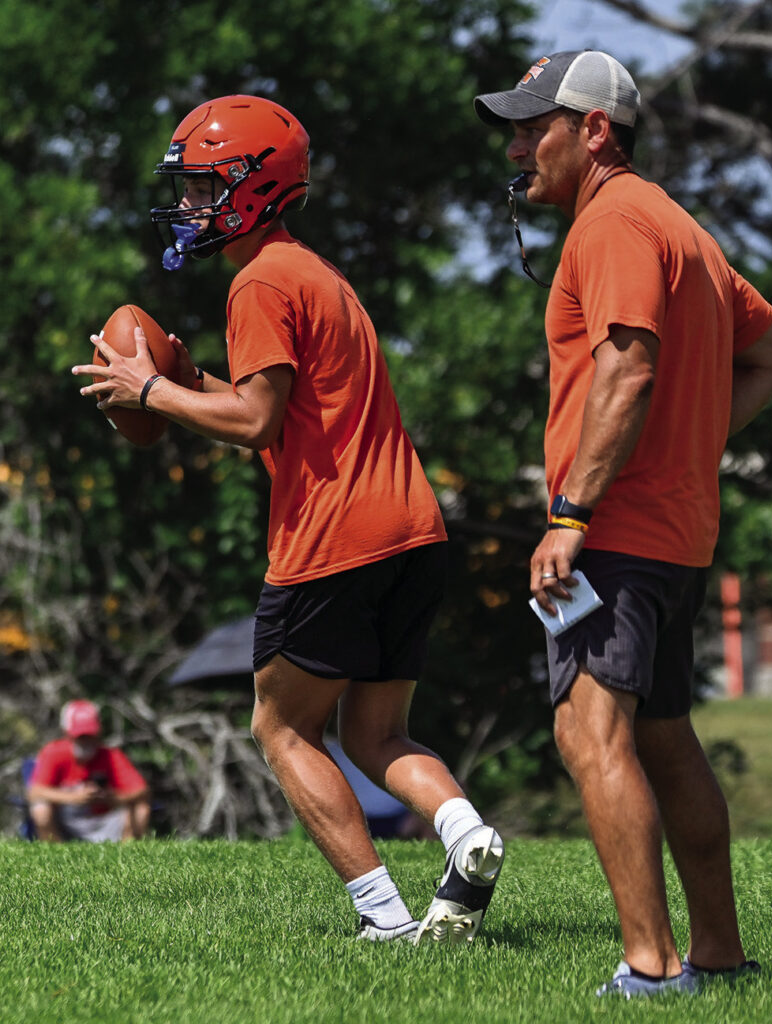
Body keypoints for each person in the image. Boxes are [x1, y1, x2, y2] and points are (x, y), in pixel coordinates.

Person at [71, 96, 502, 943]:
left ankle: (383, 920)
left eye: (202, 189)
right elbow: (281, 417)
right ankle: (465, 831)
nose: (190, 206)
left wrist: (149, 390)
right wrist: (194, 386)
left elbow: (256, 423)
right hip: (411, 529)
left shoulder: (258, 278)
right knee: (377, 731)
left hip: (333, 536)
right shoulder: (313, 273)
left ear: (252, 187)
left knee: (280, 726)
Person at [475, 51, 772, 997]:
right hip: (676, 531)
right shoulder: (678, 227)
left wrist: (571, 511)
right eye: (514, 129)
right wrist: (688, 449)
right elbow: (770, 357)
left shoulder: (609, 223)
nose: (519, 145)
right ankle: (720, 957)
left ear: (596, 130)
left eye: (538, 126)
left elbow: (629, 365)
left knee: (589, 732)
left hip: (611, 531)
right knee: (662, 735)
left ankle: (652, 970)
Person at [27, 699, 151, 842]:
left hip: (104, 819)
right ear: (66, 733)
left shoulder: (111, 755)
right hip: (66, 822)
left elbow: (142, 791)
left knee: (140, 807)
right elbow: (34, 792)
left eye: (90, 735)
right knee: (40, 808)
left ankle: (129, 853)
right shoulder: (53, 752)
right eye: (80, 736)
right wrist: (74, 797)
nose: (86, 740)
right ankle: (53, 852)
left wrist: (110, 798)